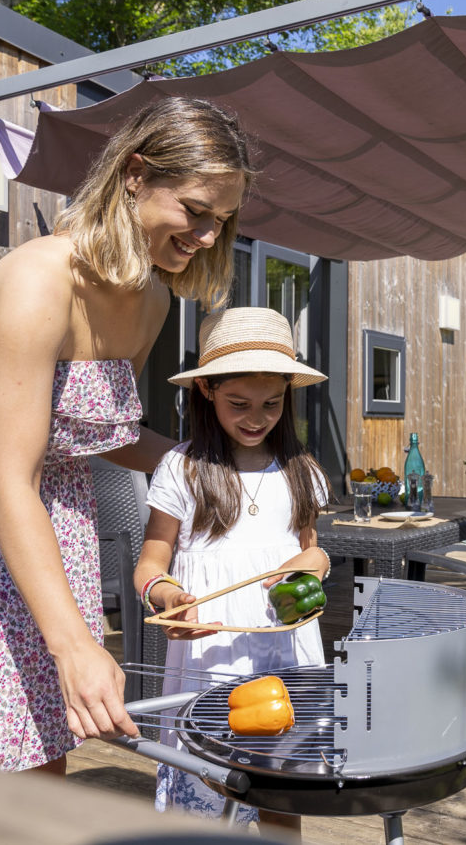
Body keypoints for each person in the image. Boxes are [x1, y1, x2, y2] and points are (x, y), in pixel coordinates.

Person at [0, 97, 256, 774]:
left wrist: (204, 464)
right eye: (196, 210)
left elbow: (99, 432)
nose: (205, 235)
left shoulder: (153, 298)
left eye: (220, 221)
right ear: (135, 174)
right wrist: (74, 642)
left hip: (54, 508)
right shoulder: (39, 279)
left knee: (44, 736)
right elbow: (7, 477)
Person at [133, 307, 331, 837]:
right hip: (212, 657)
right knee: (211, 785)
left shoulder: (301, 470)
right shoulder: (184, 468)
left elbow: (311, 551)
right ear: (207, 391)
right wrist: (166, 594)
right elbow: (151, 562)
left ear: (288, 395)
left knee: (281, 790)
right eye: (238, 404)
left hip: (287, 655)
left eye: (271, 404)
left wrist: (317, 562)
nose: (256, 418)